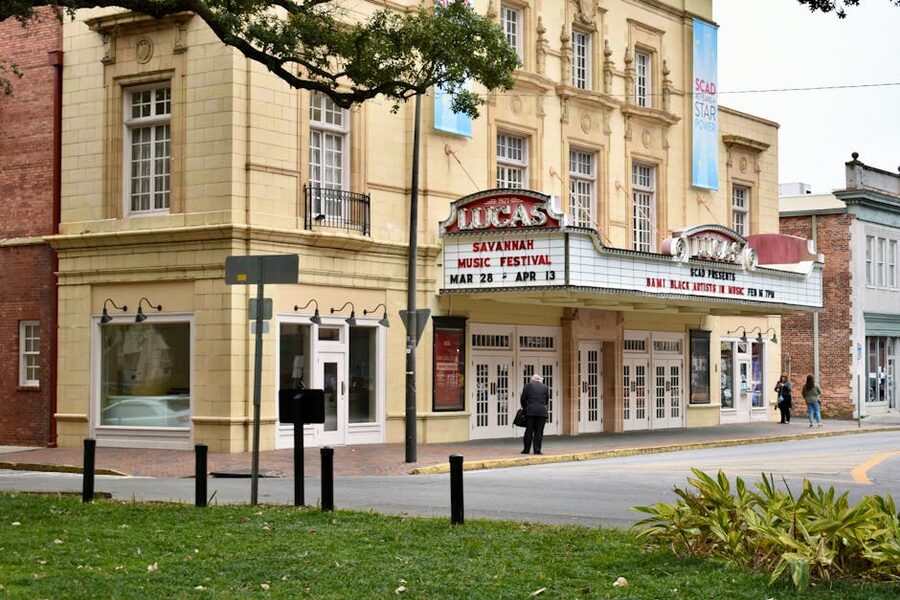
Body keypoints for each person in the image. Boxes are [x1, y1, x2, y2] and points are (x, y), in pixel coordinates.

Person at [520, 373, 549, 455]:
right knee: (539, 432)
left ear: (532, 379)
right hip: (542, 412)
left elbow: (523, 399)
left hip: (530, 411)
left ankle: (526, 450)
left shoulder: (527, 386)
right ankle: (537, 450)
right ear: (540, 380)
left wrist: (525, 408)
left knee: (529, 431)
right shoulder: (545, 387)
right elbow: (546, 400)